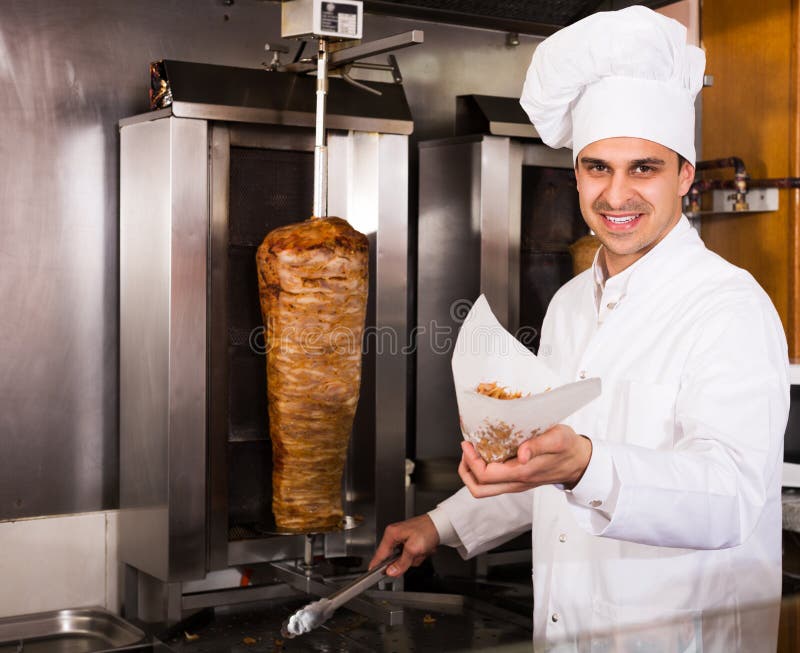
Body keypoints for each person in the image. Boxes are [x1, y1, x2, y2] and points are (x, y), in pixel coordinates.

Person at [370, 6, 790, 651]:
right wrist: (441, 523)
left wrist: (586, 465)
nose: (616, 195)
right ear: (576, 175)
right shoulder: (570, 303)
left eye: (644, 168)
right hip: (569, 629)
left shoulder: (728, 306)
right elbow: (544, 461)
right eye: (598, 167)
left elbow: (730, 497)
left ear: (684, 176)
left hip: (680, 635)